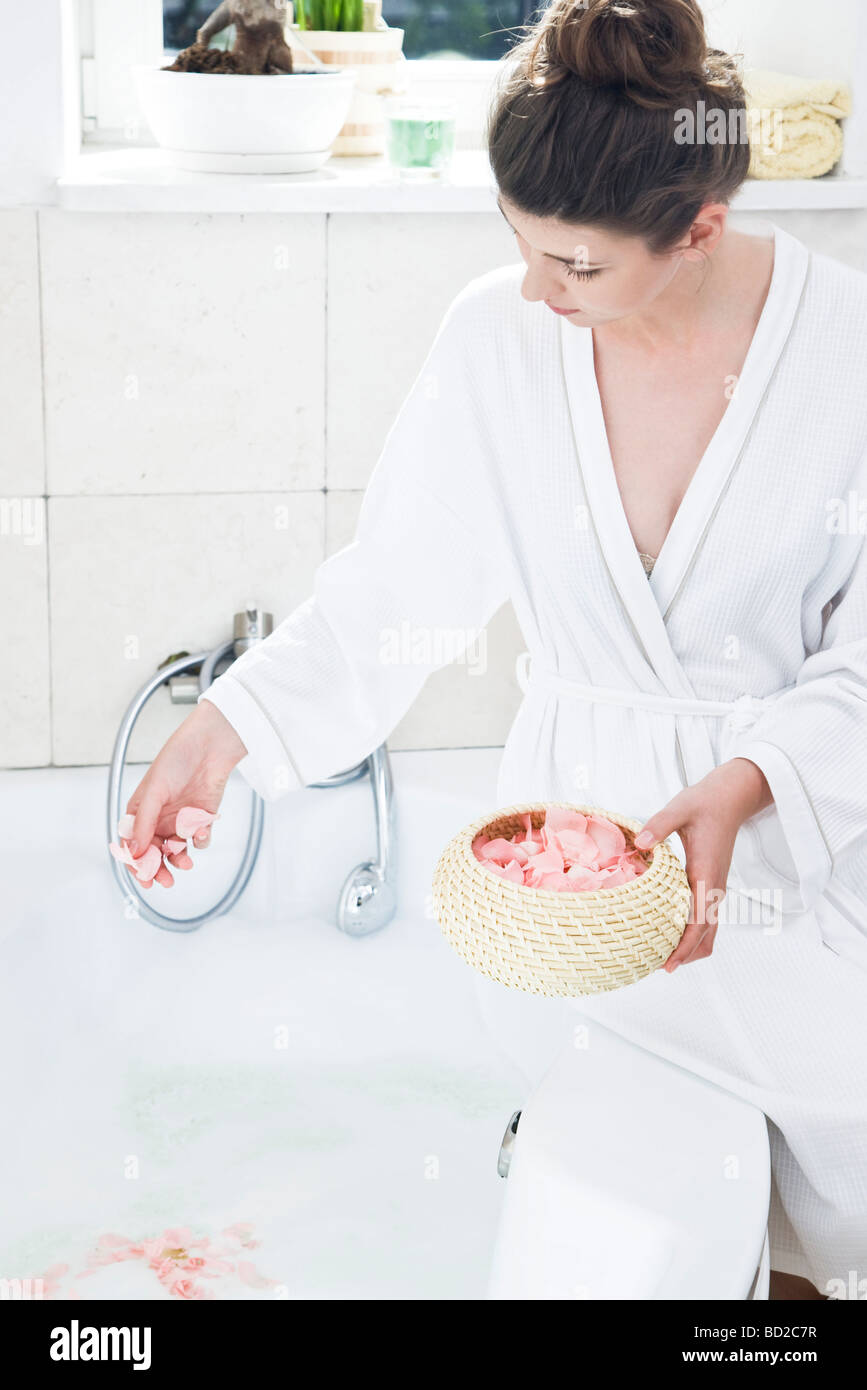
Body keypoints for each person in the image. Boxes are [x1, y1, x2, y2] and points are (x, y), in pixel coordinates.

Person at [123, 0, 867, 1300]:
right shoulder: (500, 337)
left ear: (700, 229)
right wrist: (227, 728)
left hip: (787, 899)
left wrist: (749, 785)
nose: (537, 289)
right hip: (565, 918)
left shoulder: (844, 358)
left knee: (809, 1233)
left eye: (574, 266)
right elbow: (394, 589)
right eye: (521, 247)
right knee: (640, 1221)